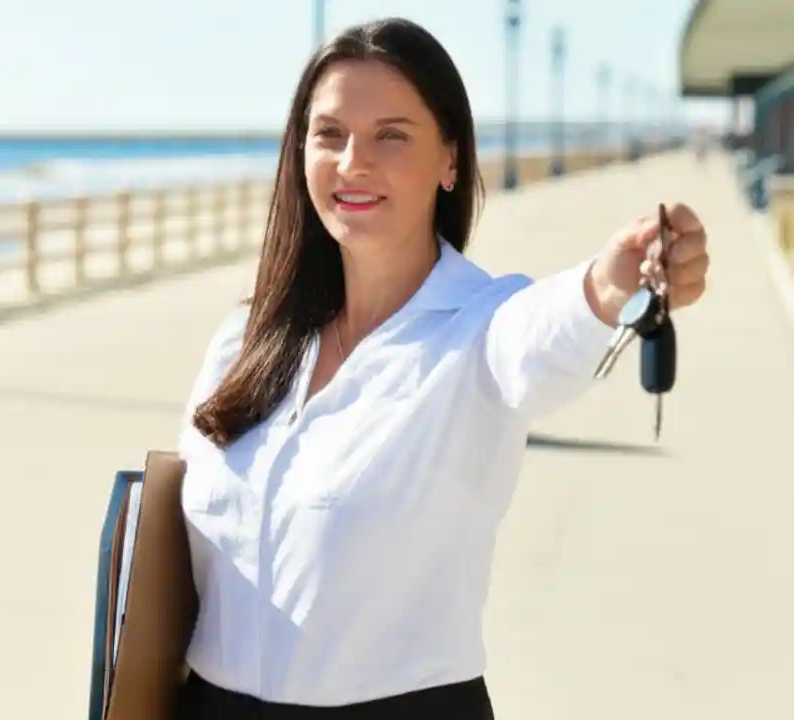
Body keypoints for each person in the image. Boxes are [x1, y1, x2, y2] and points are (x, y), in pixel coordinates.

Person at [174, 17, 710, 719]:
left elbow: (545, 332)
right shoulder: (243, 341)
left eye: (391, 135)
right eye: (330, 133)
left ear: (449, 160)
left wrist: (607, 289)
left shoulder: (479, 332)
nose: (353, 161)